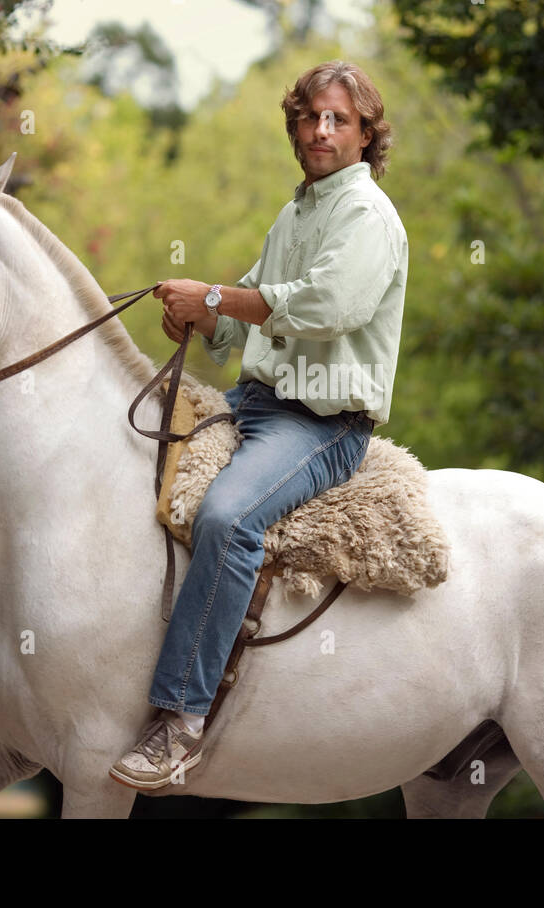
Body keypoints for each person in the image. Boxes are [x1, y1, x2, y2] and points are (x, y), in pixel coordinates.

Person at [109, 60, 409, 790]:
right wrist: (200, 313)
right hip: (255, 403)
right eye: (309, 117)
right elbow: (252, 312)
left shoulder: (366, 215)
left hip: (320, 425)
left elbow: (325, 308)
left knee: (227, 518)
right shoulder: (297, 211)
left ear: (367, 133)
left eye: (339, 118)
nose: (321, 130)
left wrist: (216, 293)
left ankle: (180, 721)